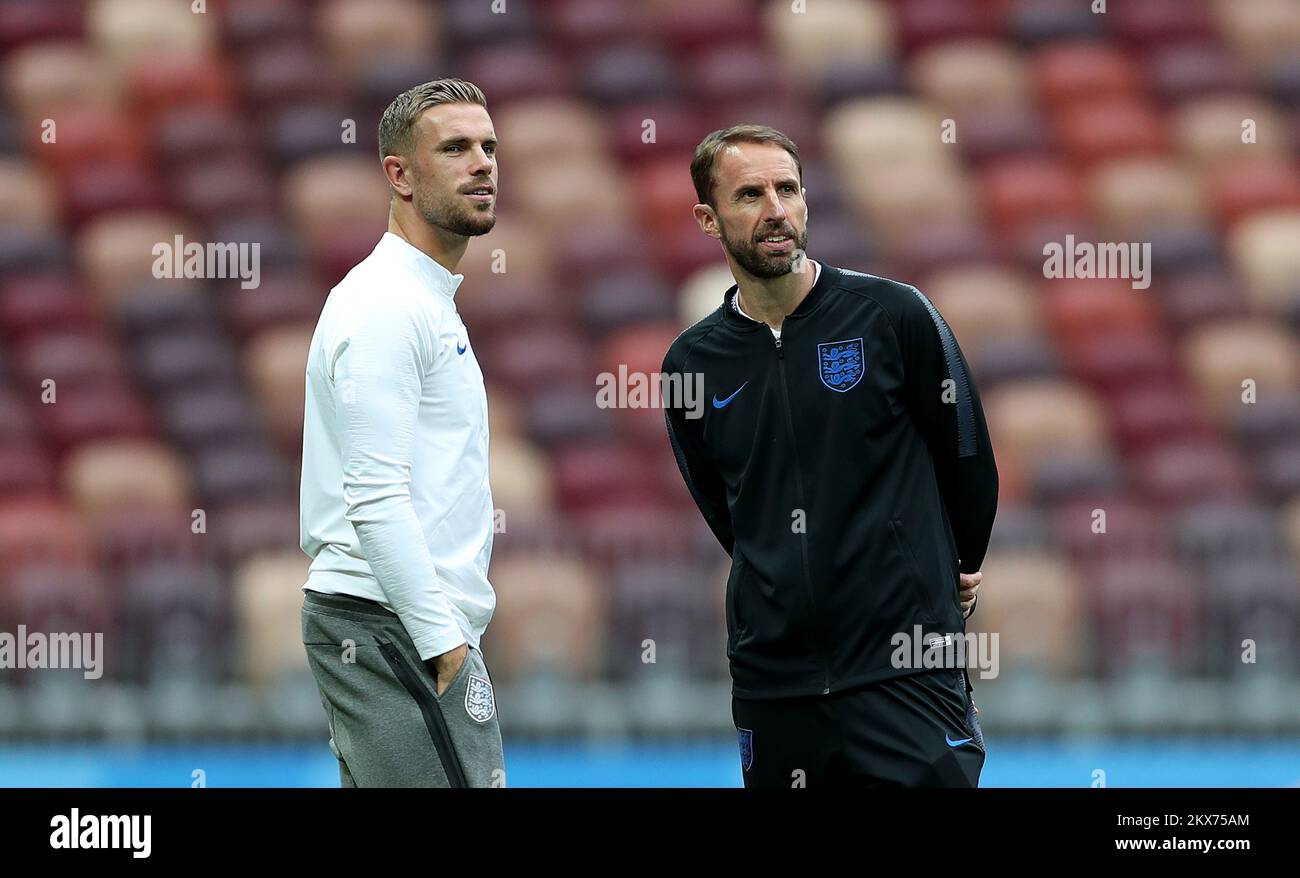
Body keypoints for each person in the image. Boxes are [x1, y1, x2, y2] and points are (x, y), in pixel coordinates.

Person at [662, 125, 998, 787]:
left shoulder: (893, 315)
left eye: (787, 189)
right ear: (708, 218)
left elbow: (968, 453)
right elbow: (724, 506)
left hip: (906, 668)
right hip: (776, 680)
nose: (775, 209)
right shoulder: (691, 364)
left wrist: (953, 565)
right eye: (750, 194)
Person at [298, 79, 503, 787]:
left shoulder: (423, 300)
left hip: (396, 623)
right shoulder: (386, 304)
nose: (482, 163)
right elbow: (374, 494)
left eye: (487, 146)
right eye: (454, 148)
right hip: (390, 623)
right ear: (399, 174)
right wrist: (445, 646)